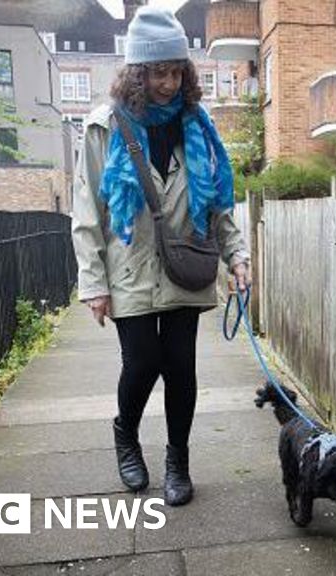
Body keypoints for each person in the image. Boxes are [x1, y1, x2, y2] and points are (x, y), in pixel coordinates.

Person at [71, 6, 250, 507]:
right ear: (136, 73)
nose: (169, 83)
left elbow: (217, 202)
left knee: (181, 366)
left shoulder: (198, 124)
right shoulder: (103, 127)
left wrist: (237, 256)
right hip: (128, 265)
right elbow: (86, 210)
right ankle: (125, 433)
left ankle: (178, 460)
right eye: (158, 72)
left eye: (176, 71)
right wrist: (94, 284)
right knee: (142, 362)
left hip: (185, 264)